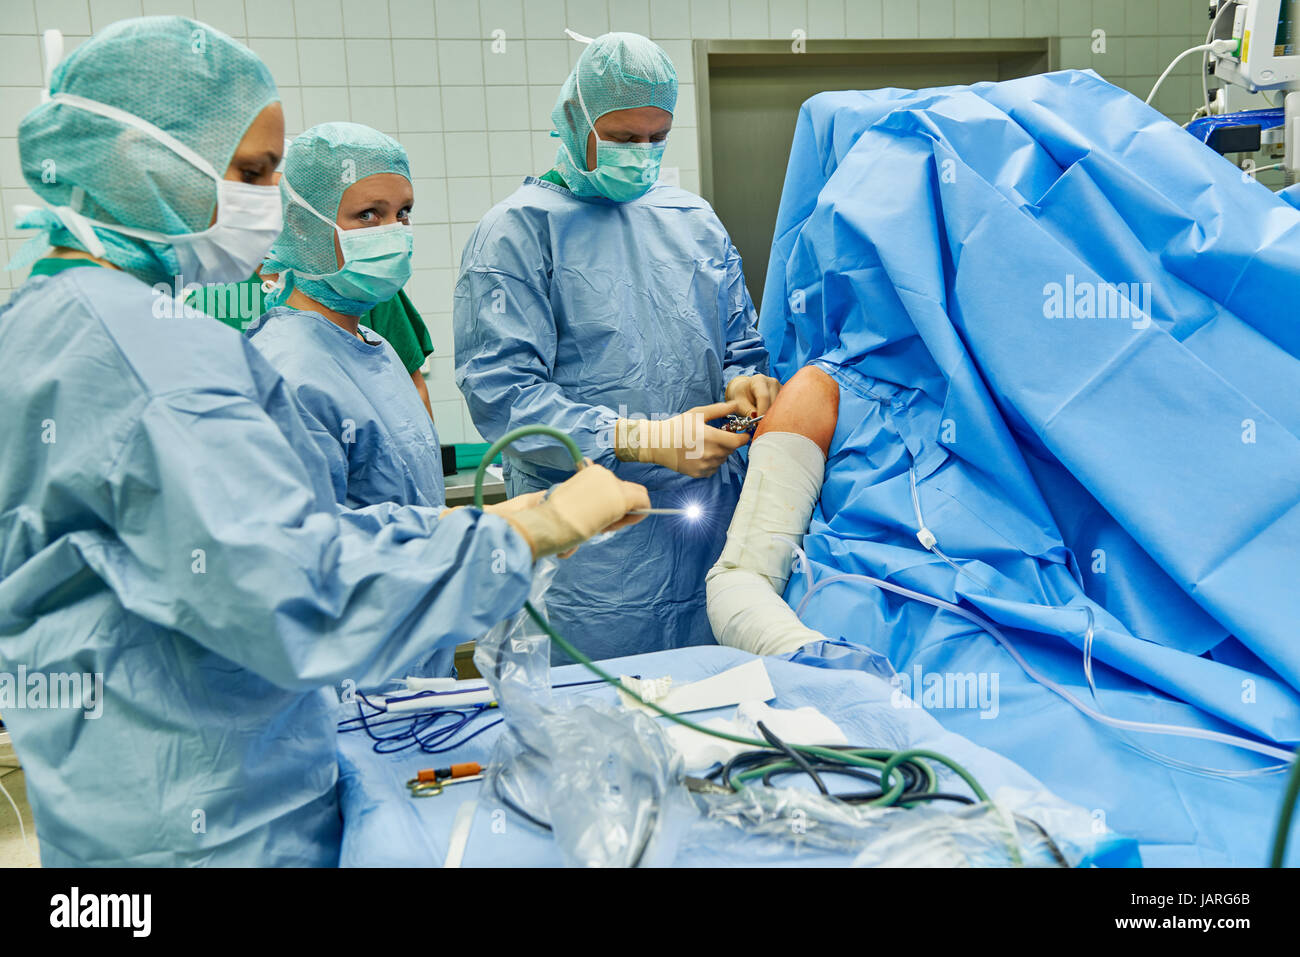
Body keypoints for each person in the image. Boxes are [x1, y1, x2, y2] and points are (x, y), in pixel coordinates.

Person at [0, 16, 647, 867]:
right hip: (218, 822)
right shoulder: (152, 356)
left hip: (121, 804)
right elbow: (300, 594)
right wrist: (528, 534)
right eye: (253, 170)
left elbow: (283, 533)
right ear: (139, 162)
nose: (266, 198)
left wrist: (486, 523)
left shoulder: (49, 319)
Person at [454, 32, 779, 662]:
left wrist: (746, 383)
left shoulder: (694, 220)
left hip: (707, 539)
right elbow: (503, 396)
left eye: (658, 137)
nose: (644, 152)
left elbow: (742, 343)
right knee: (597, 734)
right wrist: (641, 438)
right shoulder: (518, 232)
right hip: (593, 561)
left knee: (716, 723)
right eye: (625, 138)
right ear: (574, 121)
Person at [247, 122, 455, 672]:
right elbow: (312, 560)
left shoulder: (376, 346)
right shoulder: (288, 371)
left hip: (414, 652)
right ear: (304, 227)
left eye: (403, 213)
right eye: (368, 215)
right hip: (353, 674)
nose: (394, 231)